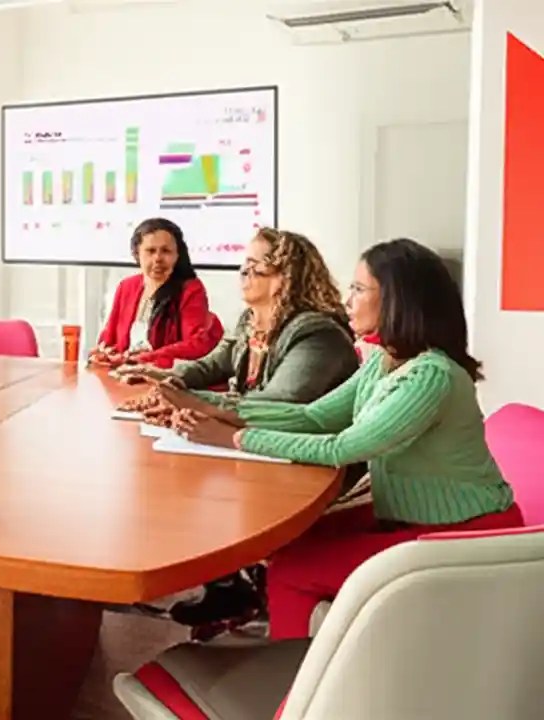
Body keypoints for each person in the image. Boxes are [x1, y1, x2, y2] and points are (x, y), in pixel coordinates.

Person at [164, 238, 521, 639]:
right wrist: (214, 406)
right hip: (407, 515)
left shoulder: (430, 376)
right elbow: (314, 415)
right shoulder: (384, 360)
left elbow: (342, 447)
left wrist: (234, 438)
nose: (346, 300)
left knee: (292, 572)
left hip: (464, 533)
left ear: (397, 301)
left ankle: (299, 696)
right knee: (290, 540)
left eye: (358, 289)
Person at [116, 228, 358, 412]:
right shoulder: (249, 322)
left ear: (287, 278)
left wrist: (188, 402)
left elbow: (277, 403)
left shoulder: (317, 335)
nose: (244, 274)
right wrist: (155, 375)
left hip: (313, 465)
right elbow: (210, 367)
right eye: (244, 266)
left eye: (255, 268)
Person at [89, 218, 223, 369]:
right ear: (137, 254)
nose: (158, 258)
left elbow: (194, 346)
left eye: (166, 251)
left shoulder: (191, 289)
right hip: (122, 375)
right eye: (150, 251)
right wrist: (103, 352)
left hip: (164, 377)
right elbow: (109, 337)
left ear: (177, 255)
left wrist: (143, 359)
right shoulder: (126, 286)